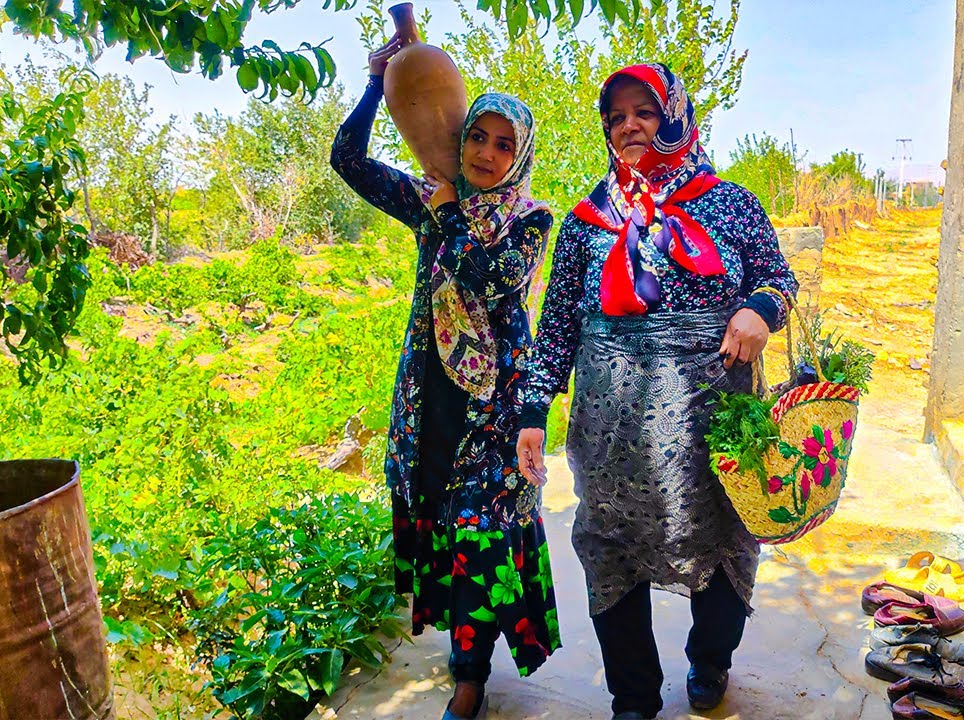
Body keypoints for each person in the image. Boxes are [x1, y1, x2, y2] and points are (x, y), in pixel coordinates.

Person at [516, 63, 798, 720]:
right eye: (616, 117)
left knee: (724, 545)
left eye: (644, 110)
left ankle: (710, 658)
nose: (628, 126)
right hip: (610, 438)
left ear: (675, 116)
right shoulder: (589, 221)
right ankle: (634, 697)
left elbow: (780, 279)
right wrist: (533, 411)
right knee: (611, 555)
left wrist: (759, 309)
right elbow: (556, 323)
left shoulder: (730, 203)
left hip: (712, 431)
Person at [331, 39, 560, 720]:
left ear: (518, 156)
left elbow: (487, 277)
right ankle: (463, 662)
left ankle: (470, 677)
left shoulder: (529, 219)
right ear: (460, 141)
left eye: (502, 143)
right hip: (429, 399)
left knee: (483, 543)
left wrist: (444, 212)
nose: (486, 153)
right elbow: (346, 160)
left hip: (493, 410)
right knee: (446, 535)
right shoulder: (433, 200)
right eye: (476, 138)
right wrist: (376, 88)